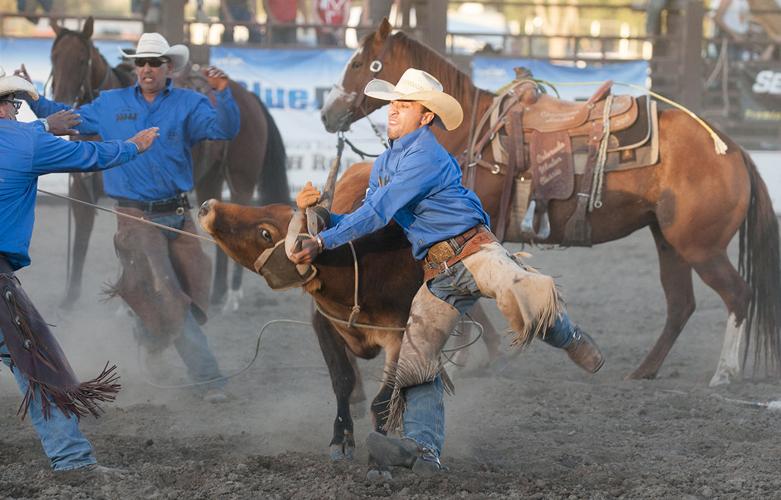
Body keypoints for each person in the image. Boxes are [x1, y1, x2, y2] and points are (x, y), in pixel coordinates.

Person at [291, 68, 604, 475]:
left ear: (425, 117)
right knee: (417, 358)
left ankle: (569, 335)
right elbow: (371, 214)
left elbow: (379, 211)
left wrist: (323, 241)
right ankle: (424, 450)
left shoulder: (425, 155)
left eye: (405, 106)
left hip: (475, 252)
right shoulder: (388, 160)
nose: (393, 111)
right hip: (438, 273)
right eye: (393, 104)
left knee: (519, 290)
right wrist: (321, 214)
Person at [19, 32, 241, 402]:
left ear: (169, 67)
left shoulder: (190, 102)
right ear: (135, 67)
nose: (147, 69)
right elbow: (66, 118)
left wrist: (226, 94)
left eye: (155, 62)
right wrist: (34, 97)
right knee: (170, 296)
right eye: (141, 62)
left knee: (192, 290)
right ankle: (209, 378)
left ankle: (148, 337)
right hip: (135, 219)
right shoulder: (109, 103)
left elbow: (225, 129)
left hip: (179, 215)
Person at [0, 67, 158, 475]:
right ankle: (72, 459)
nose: (17, 110)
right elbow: (90, 156)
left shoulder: (27, 136)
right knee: (38, 364)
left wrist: (43, 126)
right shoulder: (25, 140)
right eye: (15, 104)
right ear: (6, 107)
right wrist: (133, 147)